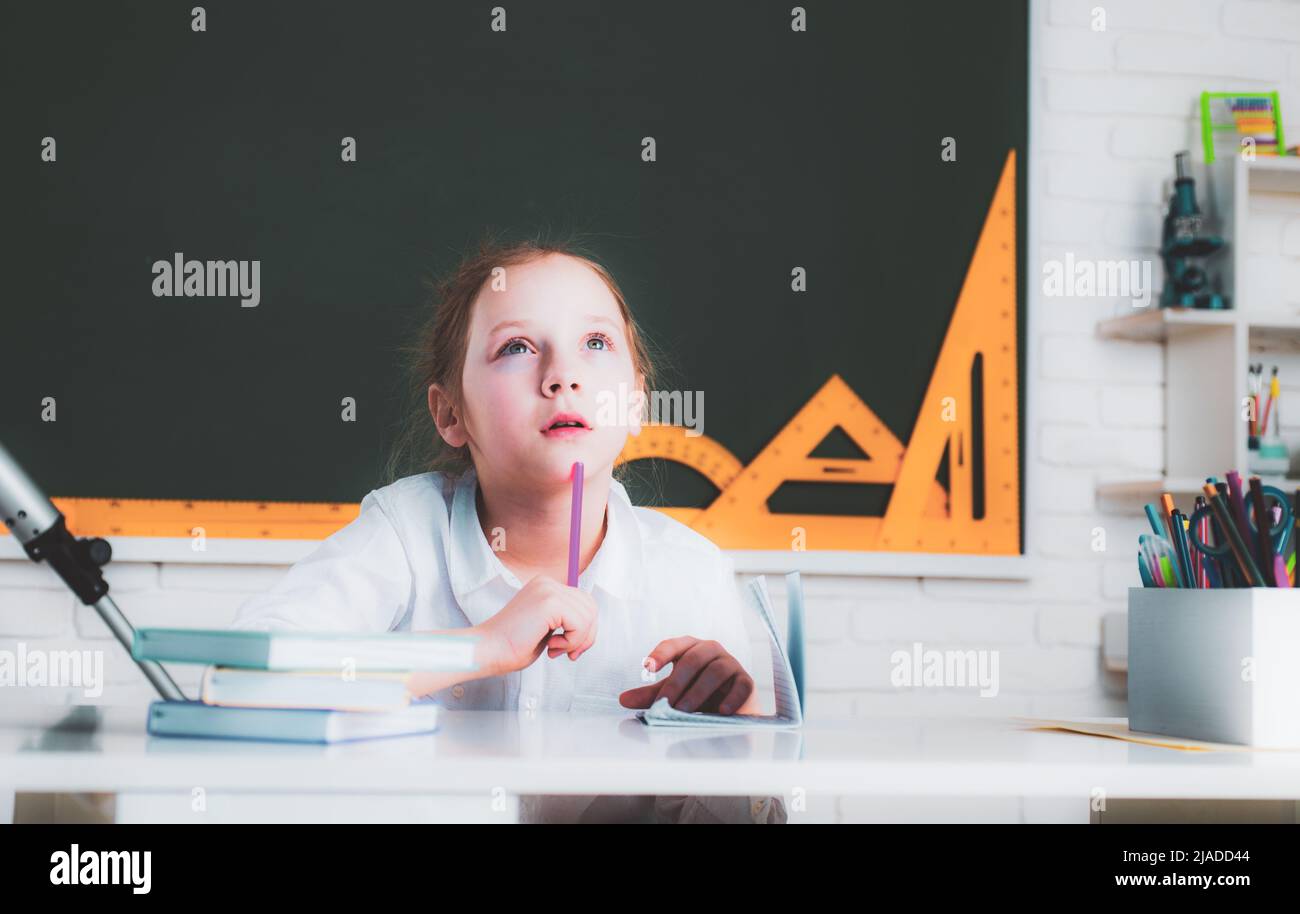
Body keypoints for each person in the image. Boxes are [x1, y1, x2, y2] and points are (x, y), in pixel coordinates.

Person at [231, 235, 786, 824]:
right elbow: (244, 680)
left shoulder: (691, 571)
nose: (562, 375)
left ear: (635, 404)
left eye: (595, 342)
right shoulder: (404, 533)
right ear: (451, 413)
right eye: (517, 347)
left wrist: (740, 731)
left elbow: (754, 812)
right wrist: (486, 646)